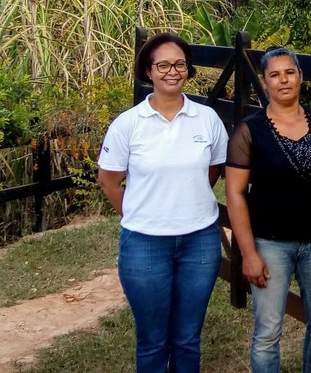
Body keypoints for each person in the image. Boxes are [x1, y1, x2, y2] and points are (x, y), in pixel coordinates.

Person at [97, 32, 229, 373]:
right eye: (164, 65)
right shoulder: (128, 125)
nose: (173, 71)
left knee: (187, 338)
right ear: (148, 71)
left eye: (180, 64)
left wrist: (189, 201)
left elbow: (214, 170)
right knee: (153, 340)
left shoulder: (207, 119)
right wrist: (140, 213)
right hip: (144, 244)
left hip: (199, 242)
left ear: (188, 69)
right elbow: (109, 180)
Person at [224, 46, 311, 373]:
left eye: (289, 72)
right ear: (265, 83)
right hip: (269, 244)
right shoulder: (249, 131)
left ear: (300, 77)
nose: (283, 80)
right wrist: (248, 253)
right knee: (268, 333)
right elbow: (236, 194)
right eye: (274, 75)